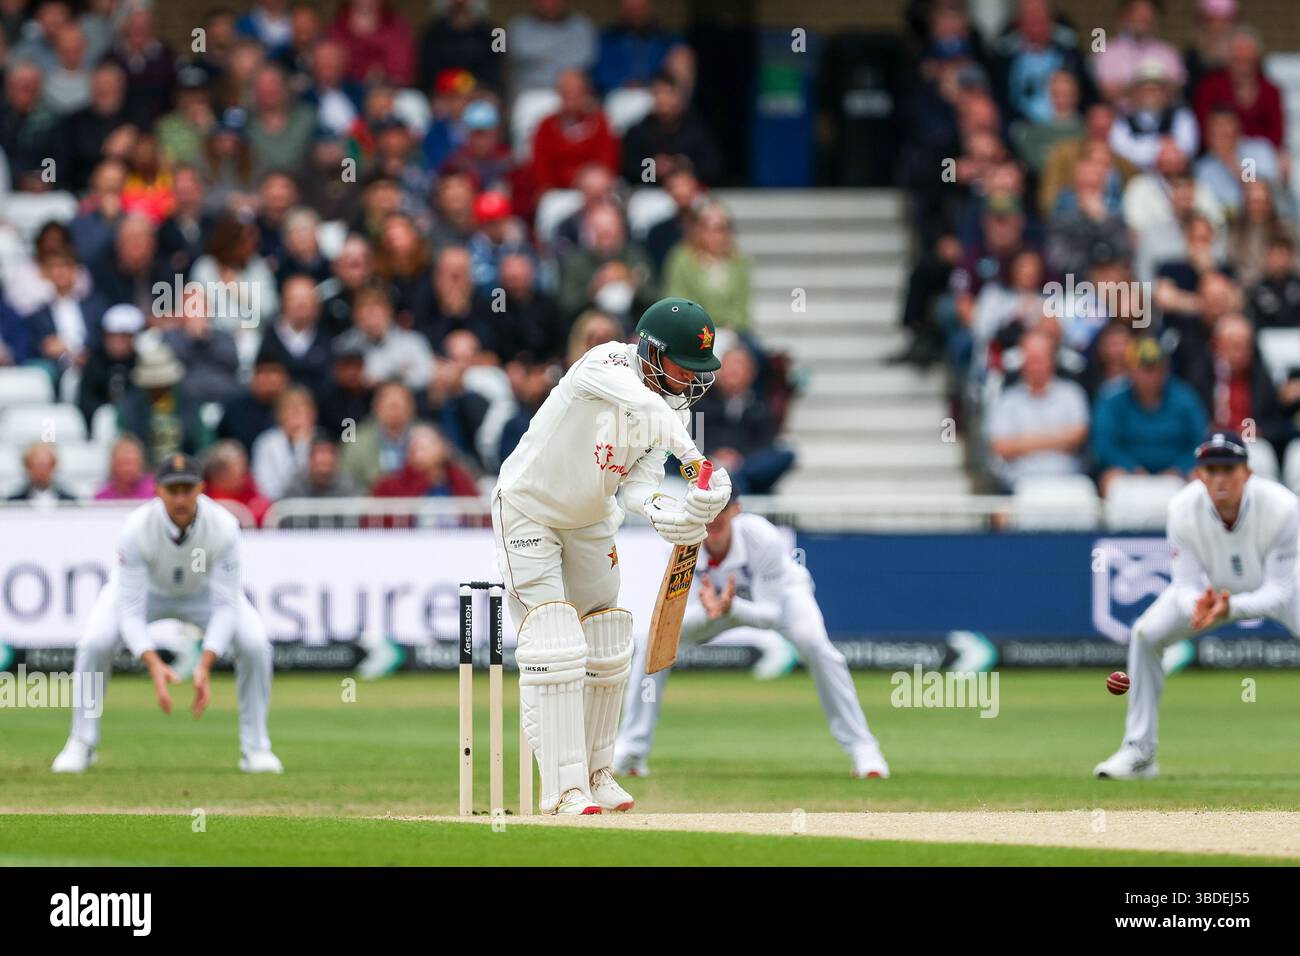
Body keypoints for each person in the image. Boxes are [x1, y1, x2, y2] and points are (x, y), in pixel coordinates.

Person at [492, 297, 732, 814]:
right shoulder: (603, 363)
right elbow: (645, 410)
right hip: (529, 509)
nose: (691, 381)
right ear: (650, 351)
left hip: (592, 519)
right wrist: (695, 462)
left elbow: (636, 488)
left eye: (699, 371)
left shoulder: (673, 408)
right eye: (683, 367)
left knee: (606, 639)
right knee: (554, 642)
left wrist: (673, 513)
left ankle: (598, 773)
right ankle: (562, 789)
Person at [614, 495, 890, 779]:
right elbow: (682, 610)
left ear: (736, 510)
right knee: (652, 642)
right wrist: (714, 606)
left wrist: (731, 606)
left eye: (722, 508)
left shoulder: (762, 537)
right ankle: (632, 751)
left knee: (817, 646)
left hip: (783, 600)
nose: (714, 515)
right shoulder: (683, 544)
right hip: (717, 609)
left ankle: (864, 750)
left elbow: (772, 615)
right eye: (706, 509)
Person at [51, 454, 282, 774]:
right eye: (173, 490)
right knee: (94, 643)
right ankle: (81, 742)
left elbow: (226, 605)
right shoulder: (136, 528)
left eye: (187, 489)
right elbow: (130, 610)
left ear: (201, 489)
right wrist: (154, 663)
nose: (180, 498)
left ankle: (256, 748)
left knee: (255, 644)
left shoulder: (224, 527)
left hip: (201, 593)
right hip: (147, 593)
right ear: (158, 491)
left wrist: (205, 662)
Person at [1094, 432, 1299, 779]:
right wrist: (1200, 605)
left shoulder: (1283, 507)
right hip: (1211, 595)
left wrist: (1229, 607)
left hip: (1285, 590)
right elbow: (1185, 584)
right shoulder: (1182, 508)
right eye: (1211, 469)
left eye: (1229, 469)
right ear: (1199, 475)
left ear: (1247, 474)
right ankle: (1140, 753)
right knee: (1146, 635)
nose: (1220, 478)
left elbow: (1279, 592)